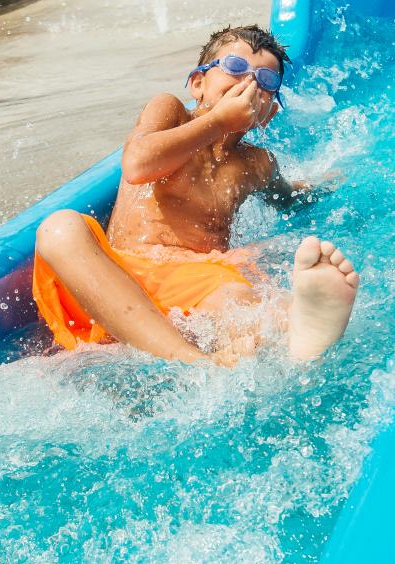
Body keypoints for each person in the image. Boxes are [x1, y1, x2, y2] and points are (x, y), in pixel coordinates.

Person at [32, 24, 359, 365]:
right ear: (198, 83)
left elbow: (288, 197)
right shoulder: (170, 112)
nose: (248, 83)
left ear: (269, 113)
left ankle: (304, 336)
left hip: (192, 287)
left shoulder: (256, 164)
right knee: (60, 228)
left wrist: (323, 183)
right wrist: (218, 121)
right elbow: (137, 165)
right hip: (114, 283)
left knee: (244, 303)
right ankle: (192, 360)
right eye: (234, 67)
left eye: (265, 81)